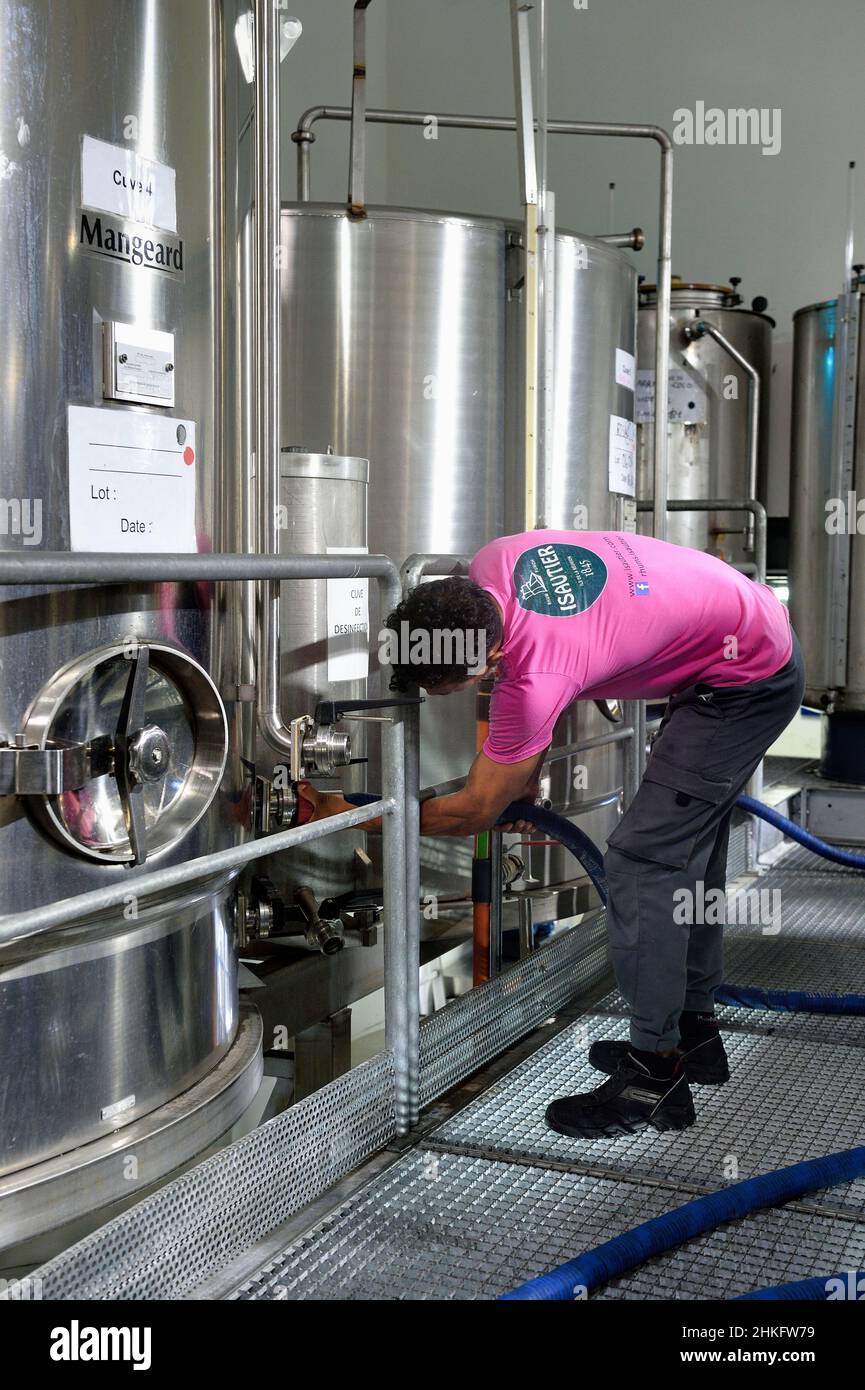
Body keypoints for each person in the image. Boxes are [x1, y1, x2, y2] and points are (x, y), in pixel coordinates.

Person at [303, 529, 804, 1140]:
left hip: (745, 684)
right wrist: (521, 777)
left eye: (441, 689)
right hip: (740, 634)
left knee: (645, 861)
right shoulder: (495, 562)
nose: (433, 699)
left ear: (487, 661)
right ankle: (694, 1038)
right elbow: (538, 699)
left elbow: (470, 812)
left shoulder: (534, 676)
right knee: (689, 852)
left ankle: (654, 1080)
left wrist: (351, 813)